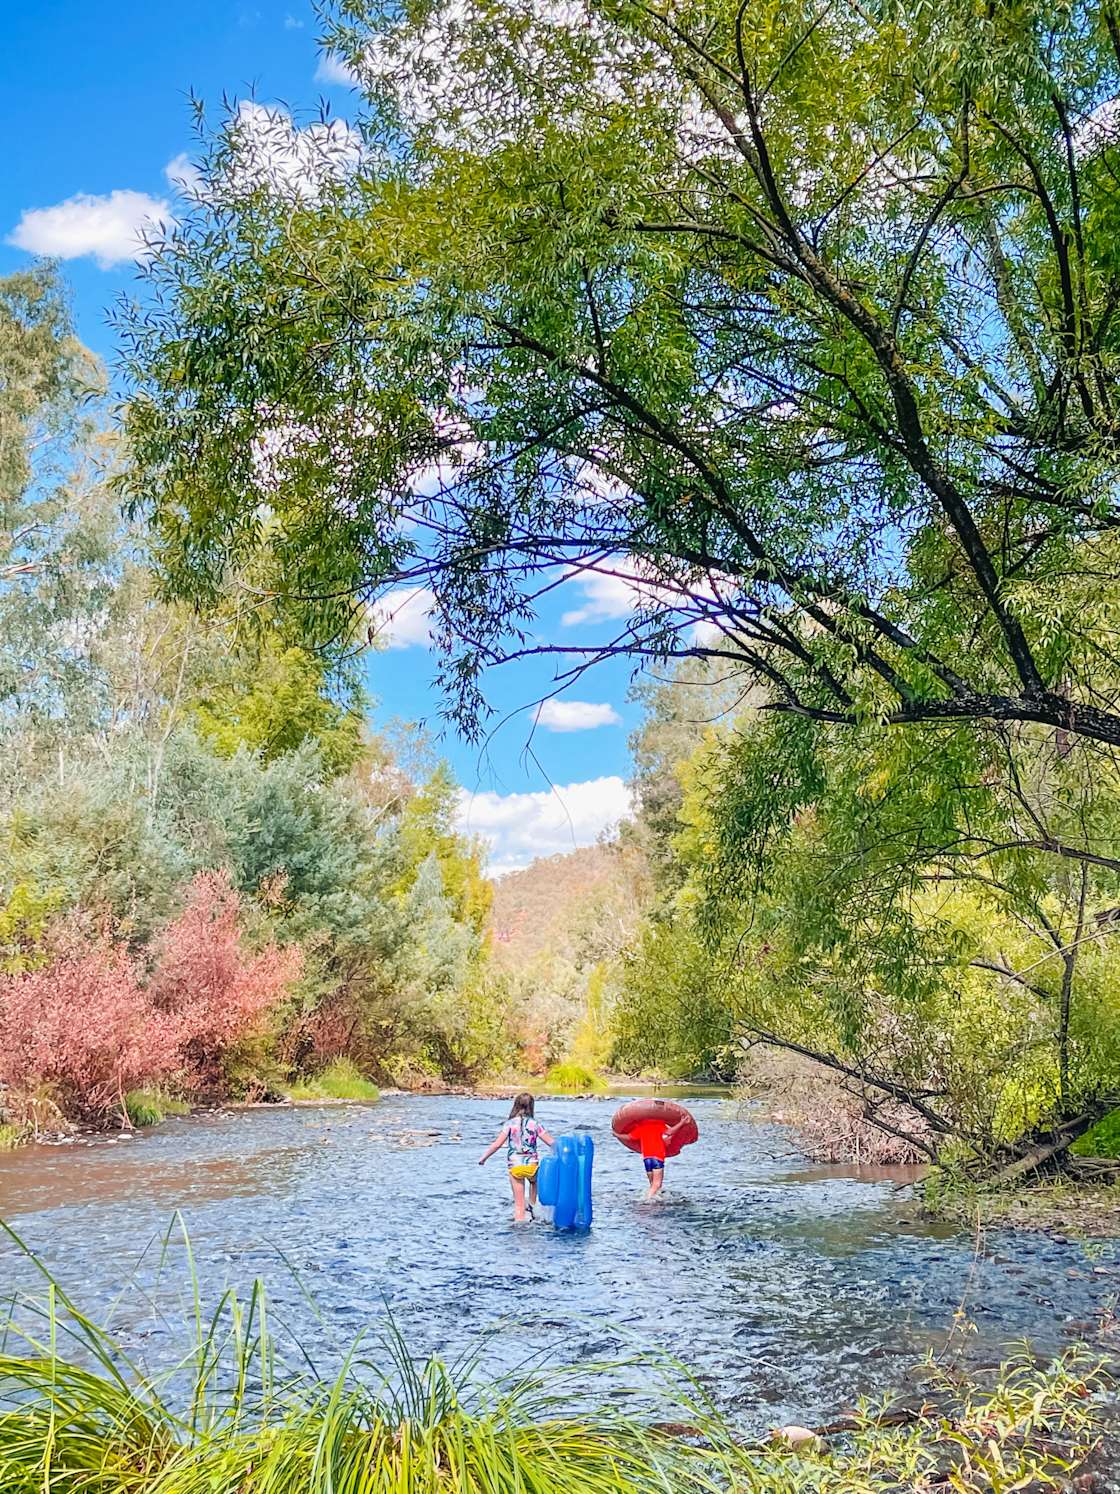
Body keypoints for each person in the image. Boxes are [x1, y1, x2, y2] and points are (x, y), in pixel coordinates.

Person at [478, 1092, 555, 1223]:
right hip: (532, 1166)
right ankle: (532, 1205)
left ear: (516, 1105)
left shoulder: (509, 1124)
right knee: (534, 1182)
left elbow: (497, 1144)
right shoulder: (535, 1124)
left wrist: (484, 1158)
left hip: (515, 1166)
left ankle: (520, 1226)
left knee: (519, 1205)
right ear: (531, 1106)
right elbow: (552, 1143)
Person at [629, 1102, 690, 1201]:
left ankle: (654, 1199)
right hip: (657, 1158)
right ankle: (646, 1201)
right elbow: (669, 1132)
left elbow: (629, 1137)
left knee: (652, 1184)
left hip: (647, 1159)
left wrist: (616, 1134)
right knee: (657, 1184)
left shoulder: (641, 1127)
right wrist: (682, 1122)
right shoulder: (658, 1124)